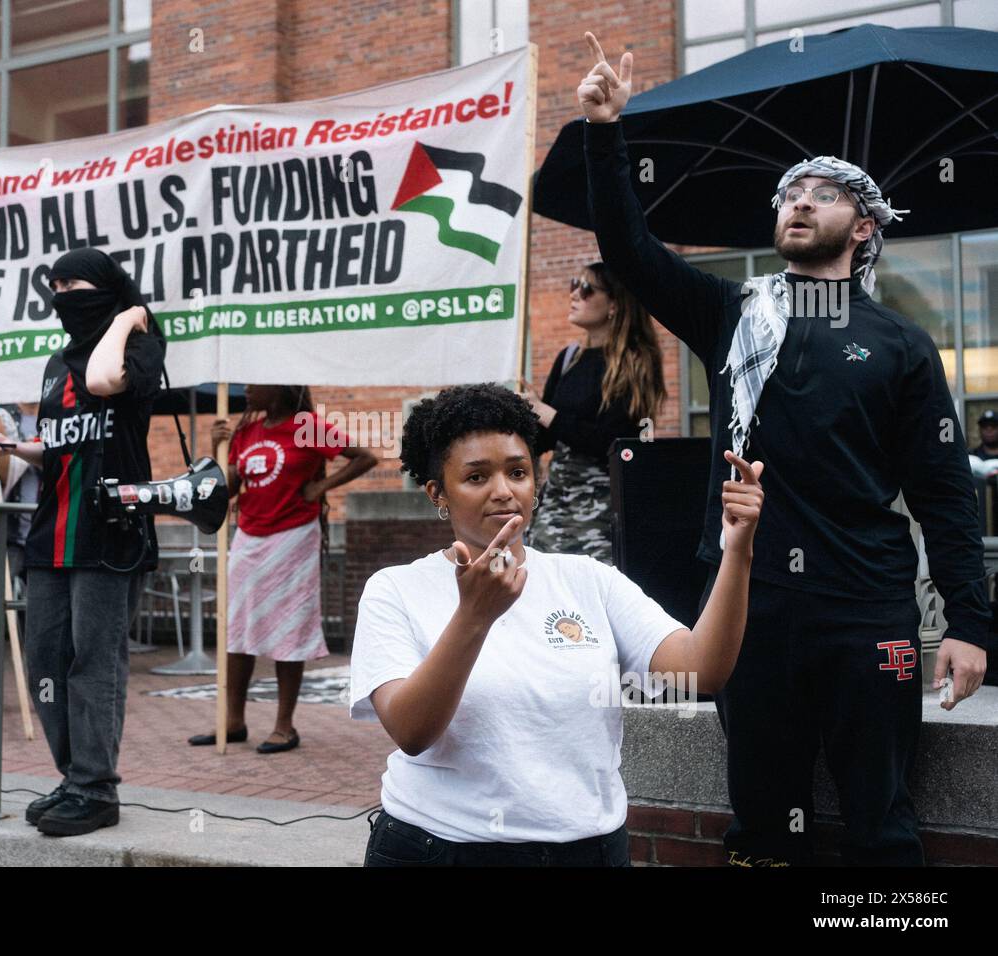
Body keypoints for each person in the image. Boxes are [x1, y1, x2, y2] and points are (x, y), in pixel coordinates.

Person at [577, 32, 989, 865]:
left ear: (862, 225)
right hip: (747, 603)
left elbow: (944, 491)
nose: (798, 202)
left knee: (882, 820)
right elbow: (629, 252)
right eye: (789, 193)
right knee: (764, 822)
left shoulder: (903, 346)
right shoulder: (732, 316)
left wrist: (972, 624)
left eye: (823, 193)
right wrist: (605, 132)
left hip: (866, 604)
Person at [349, 383, 763, 866]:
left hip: (590, 852)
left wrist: (737, 551)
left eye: (518, 472)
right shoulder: (395, 589)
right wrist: (473, 618)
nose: (503, 491)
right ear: (437, 492)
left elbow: (700, 670)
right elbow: (411, 731)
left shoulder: (586, 579)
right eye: (477, 476)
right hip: (441, 849)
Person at [0, 247, 165, 837]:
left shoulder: (135, 347)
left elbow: (105, 381)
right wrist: (18, 450)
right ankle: (73, 776)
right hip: (51, 532)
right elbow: (61, 441)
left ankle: (95, 787)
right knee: (45, 662)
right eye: (53, 284)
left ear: (107, 290)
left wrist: (128, 316)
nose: (61, 293)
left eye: (72, 282)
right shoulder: (55, 363)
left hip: (109, 534)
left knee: (94, 663)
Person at [188, 385, 377, 753]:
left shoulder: (306, 425)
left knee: (289, 627)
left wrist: (320, 486)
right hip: (248, 537)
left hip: (293, 537)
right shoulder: (245, 431)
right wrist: (217, 450)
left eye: (253, 383)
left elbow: (364, 457)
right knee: (237, 629)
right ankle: (233, 722)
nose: (245, 388)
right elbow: (225, 491)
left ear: (276, 387)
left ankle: (284, 726)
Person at [519, 261, 666, 561]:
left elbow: (614, 442)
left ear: (614, 304)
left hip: (600, 511)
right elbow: (547, 441)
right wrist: (523, 414)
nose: (574, 294)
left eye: (586, 289)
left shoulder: (636, 363)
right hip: (556, 506)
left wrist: (547, 413)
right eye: (574, 284)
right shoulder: (569, 358)